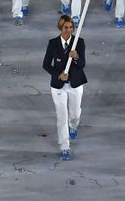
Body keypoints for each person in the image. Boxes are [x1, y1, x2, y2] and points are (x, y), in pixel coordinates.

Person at [42, 14, 86, 160]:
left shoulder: (79, 42)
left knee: (74, 114)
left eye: (71, 28)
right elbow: (46, 65)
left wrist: (77, 57)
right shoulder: (53, 43)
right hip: (58, 86)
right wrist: (58, 75)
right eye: (66, 28)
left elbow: (82, 65)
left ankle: (73, 125)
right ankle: (64, 146)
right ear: (60, 28)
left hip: (75, 84)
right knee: (62, 117)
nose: (69, 30)